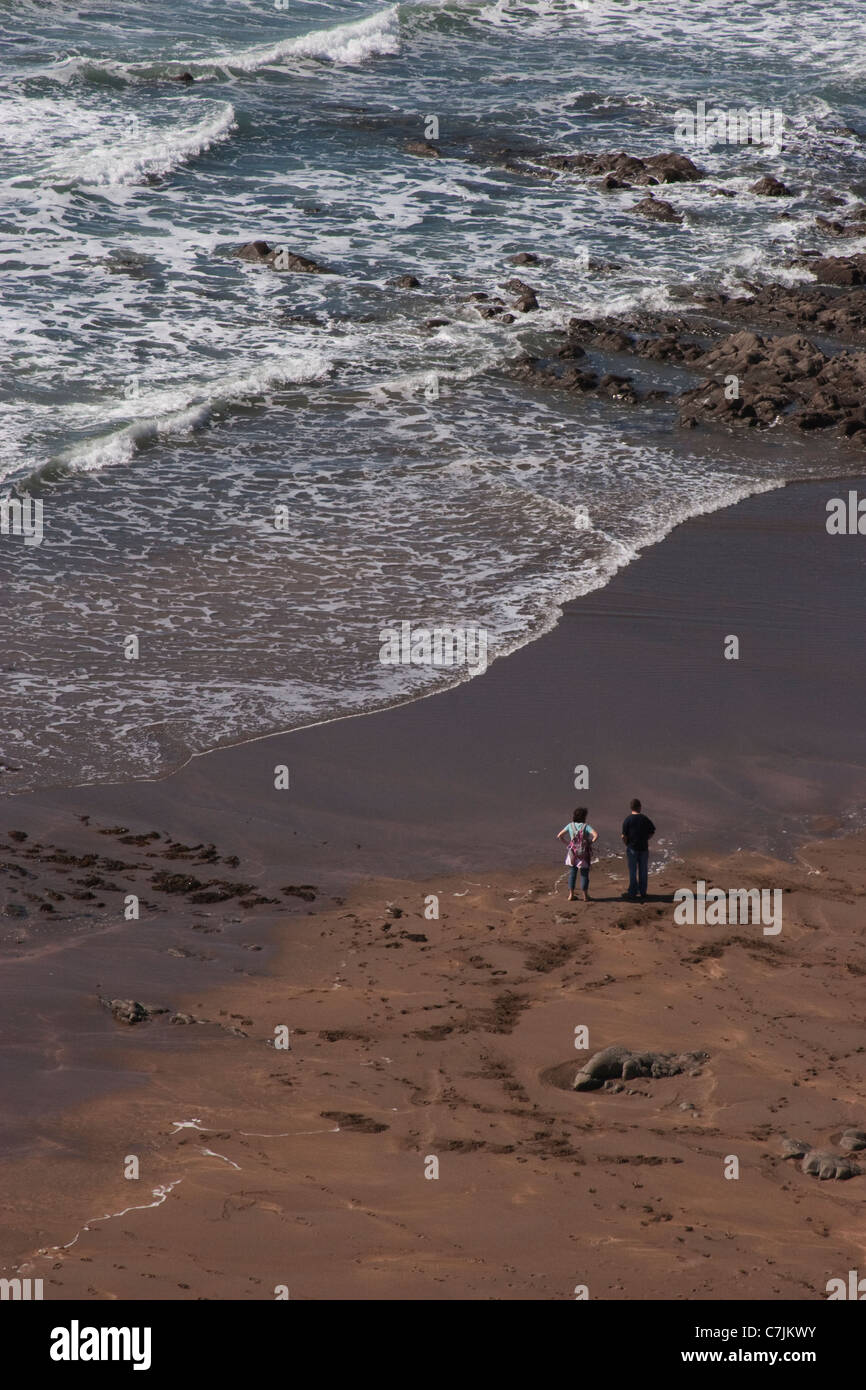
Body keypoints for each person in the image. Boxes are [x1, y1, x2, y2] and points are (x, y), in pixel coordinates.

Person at [557, 807, 599, 902]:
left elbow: (559, 836)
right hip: (584, 854)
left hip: (572, 852)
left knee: (572, 874)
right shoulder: (586, 826)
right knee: (584, 875)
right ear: (584, 817)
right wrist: (589, 843)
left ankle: (571, 895)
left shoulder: (570, 826)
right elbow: (596, 835)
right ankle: (585, 896)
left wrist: (568, 844)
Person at [621, 798, 655, 901]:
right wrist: (647, 838)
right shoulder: (645, 819)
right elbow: (652, 831)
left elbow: (623, 836)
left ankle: (633, 892)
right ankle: (643, 891)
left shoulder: (627, 820)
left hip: (632, 848)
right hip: (643, 847)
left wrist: (626, 843)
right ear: (639, 807)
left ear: (631, 807)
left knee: (632, 871)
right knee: (643, 871)